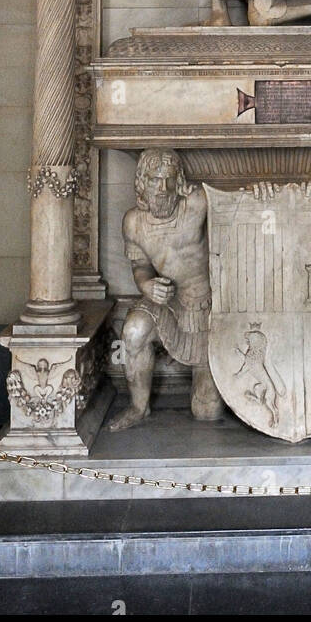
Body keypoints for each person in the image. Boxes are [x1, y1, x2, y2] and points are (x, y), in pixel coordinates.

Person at [109, 148, 223, 430]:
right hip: (169, 300)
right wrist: (146, 285)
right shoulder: (134, 223)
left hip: (208, 307)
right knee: (134, 331)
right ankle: (138, 406)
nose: (162, 188)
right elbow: (141, 266)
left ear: (179, 181)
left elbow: (238, 209)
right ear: (141, 183)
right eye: (154, 180)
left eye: (169, 180)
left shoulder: (197, 204)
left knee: (206, 411)